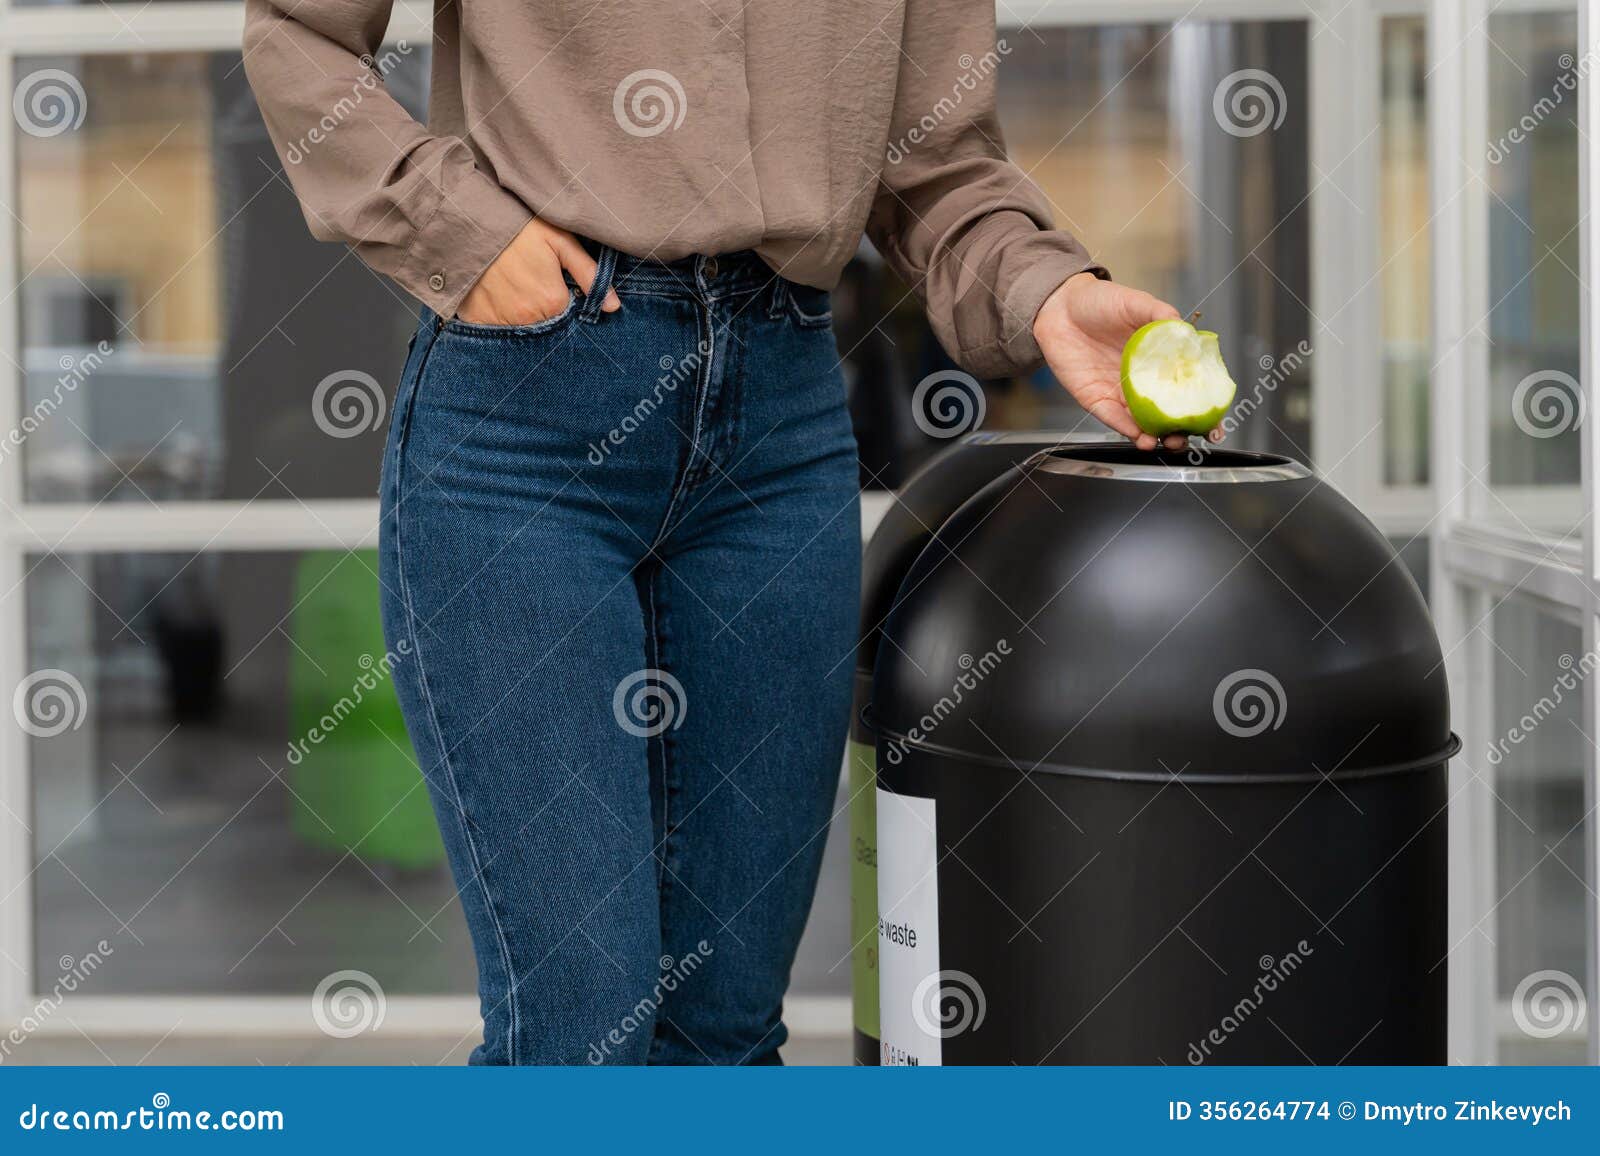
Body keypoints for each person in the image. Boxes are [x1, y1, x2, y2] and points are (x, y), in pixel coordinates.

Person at [243, 0, 1217, 1065]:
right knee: (576, 1040)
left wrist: (1047, 292)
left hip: (781, 423)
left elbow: (935, 168)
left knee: (725, 1034)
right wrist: (459, 232)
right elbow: (297, 33)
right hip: (526, 414)